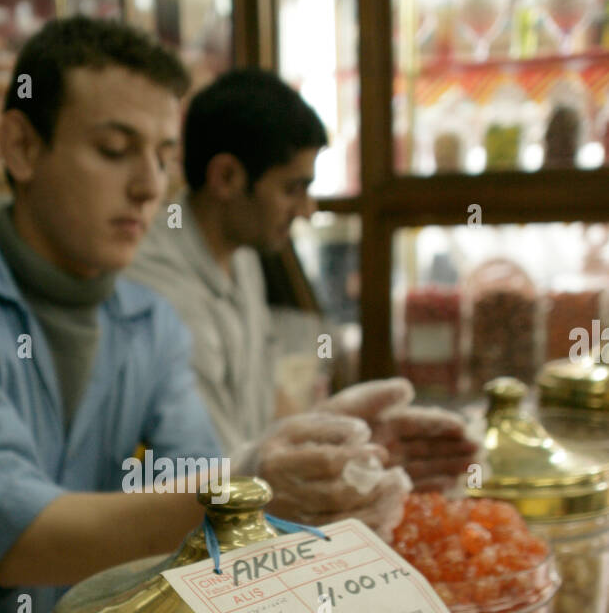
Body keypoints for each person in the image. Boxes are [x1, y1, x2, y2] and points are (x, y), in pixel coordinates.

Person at [0, 19, 399, 613]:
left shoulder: (149, 324)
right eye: (113, 149)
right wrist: (251, 480)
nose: (148, 186)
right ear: (20, 146)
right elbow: (20, 540)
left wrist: (317, 448)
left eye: (163, 157)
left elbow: (195, 489)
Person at [127, 67, 477, 497]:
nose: (307, 208)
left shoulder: (243, 255)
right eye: (293, 188)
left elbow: (265, 393)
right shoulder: (160, 293)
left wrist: (338, 434)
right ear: (226, 177)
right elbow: (210, 478)